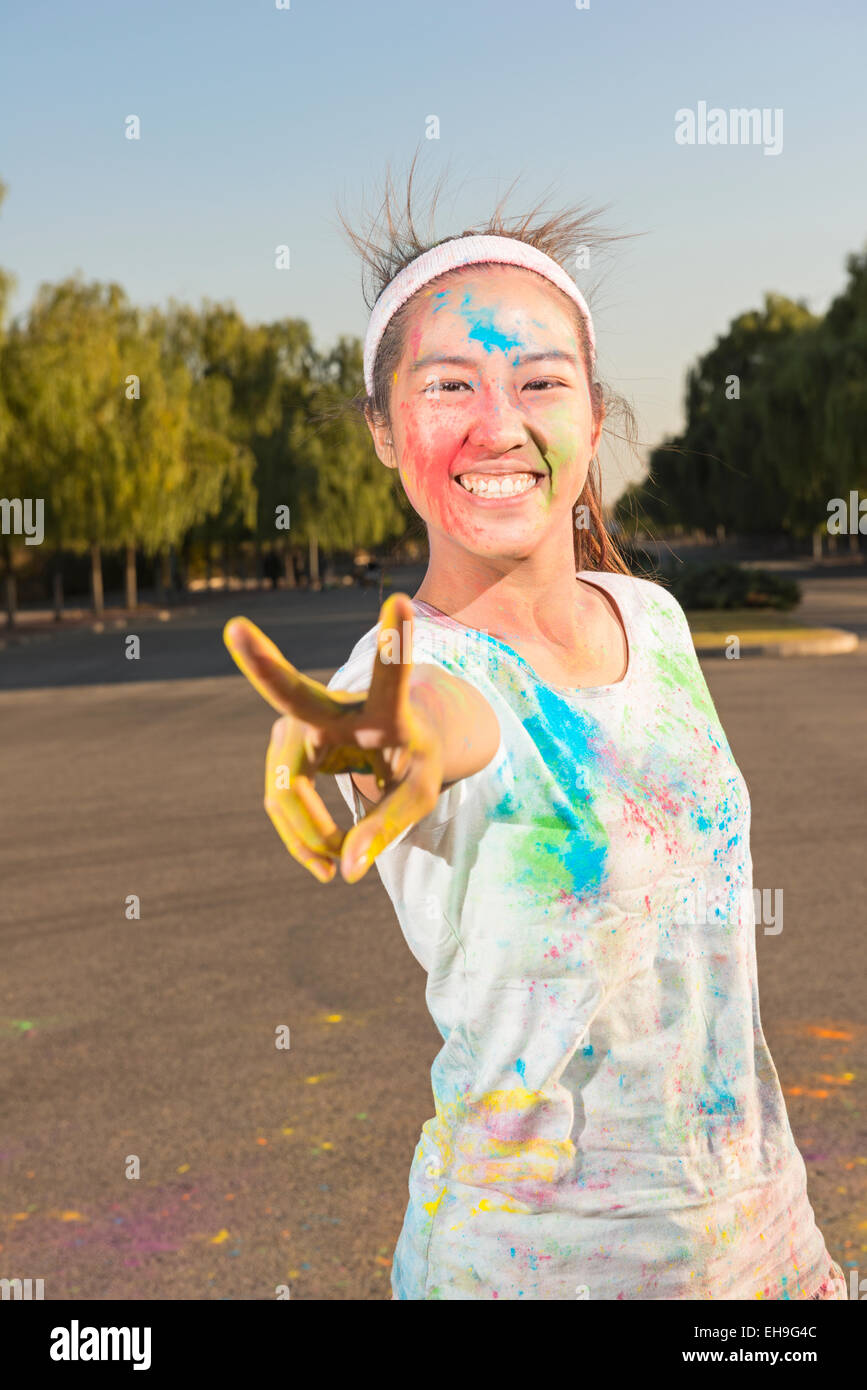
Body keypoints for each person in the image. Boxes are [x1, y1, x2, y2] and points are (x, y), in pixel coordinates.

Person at [224, 182, 846, 1302]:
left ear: (593, 419)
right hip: (535, 1268)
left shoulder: (648, 620)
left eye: (539, 382)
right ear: (382, 428)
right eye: (448, 384)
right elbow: (448, 723)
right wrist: (381, 736)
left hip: (762, 1250)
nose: (498, 423)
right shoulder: (408, 677)